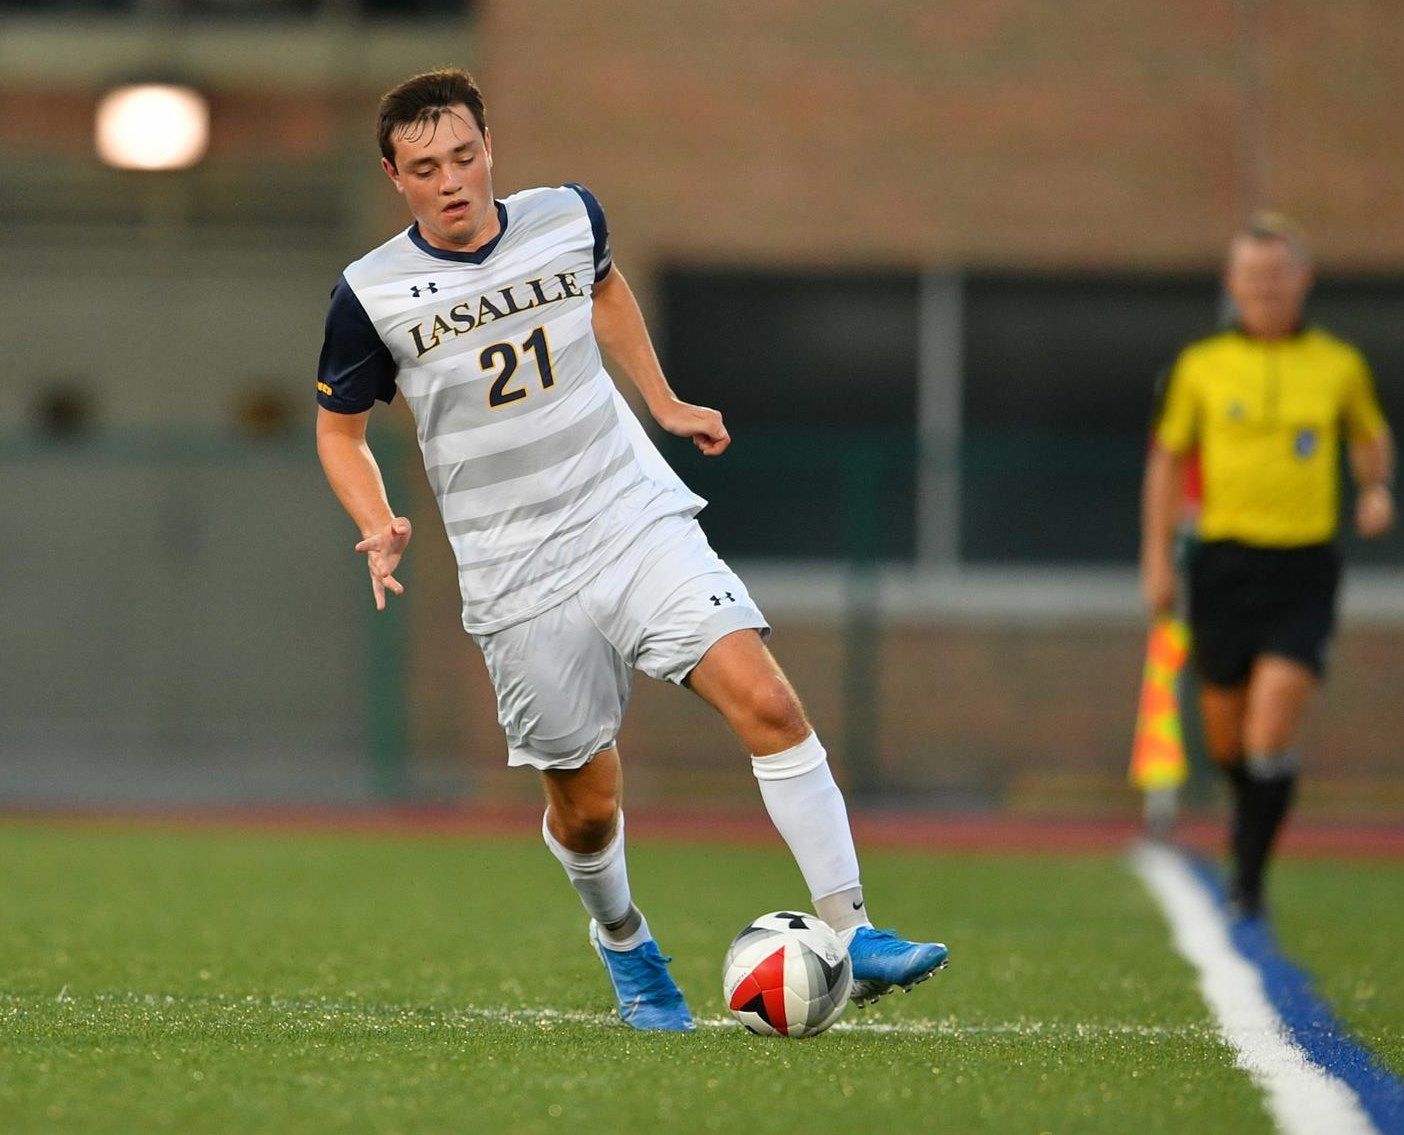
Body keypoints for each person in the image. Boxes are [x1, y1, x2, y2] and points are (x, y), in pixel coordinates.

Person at [314, 68, 948, 1031]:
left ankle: (850, 927)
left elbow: (603, 291)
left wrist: (662, 401)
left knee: (768, 700)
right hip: (514, 571)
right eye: (425, 167)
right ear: (394, 176)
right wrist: (376, 520)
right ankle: (625, 943)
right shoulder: (368, 294)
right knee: (588, 806)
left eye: (465, 156)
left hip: (627, 515)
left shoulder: (569, 216)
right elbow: (341, 432)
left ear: (491, 146)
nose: (452, 180)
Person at [1142, 213, 1396, 920]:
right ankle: (1252, 823)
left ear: (1301, 279)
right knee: (1226, 735)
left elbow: (1372, 439)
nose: (1265, 286)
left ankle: (1247, 877)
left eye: (1277, 273)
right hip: (1223, 566)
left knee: (1270, 728)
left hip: (1303, 568)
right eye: (1251, 275)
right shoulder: (1200, 366)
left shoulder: (1339, 364)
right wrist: (1156, 557)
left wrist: (1375, 488)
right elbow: (1166, 462)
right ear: (1233, 283)